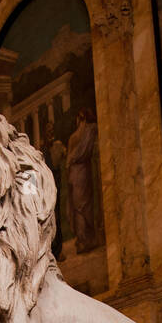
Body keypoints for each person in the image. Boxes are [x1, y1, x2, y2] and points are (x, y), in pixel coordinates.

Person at [66, 108, 98, 253]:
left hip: (74, 172)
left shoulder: (73, 137)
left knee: (79, 207)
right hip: (82, 171)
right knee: (84, 206)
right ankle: (86, 239)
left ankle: (83, 240)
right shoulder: (90, 131)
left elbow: (68, 161)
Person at [42, 121, 66, 258]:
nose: (50, 133)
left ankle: (58, 248)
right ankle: (52, 248)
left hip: (56, 183)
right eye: (48, 130)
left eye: (52, 130)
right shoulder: (42, 150)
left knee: (57, 215)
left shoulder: (57, 145)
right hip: (46, 189)